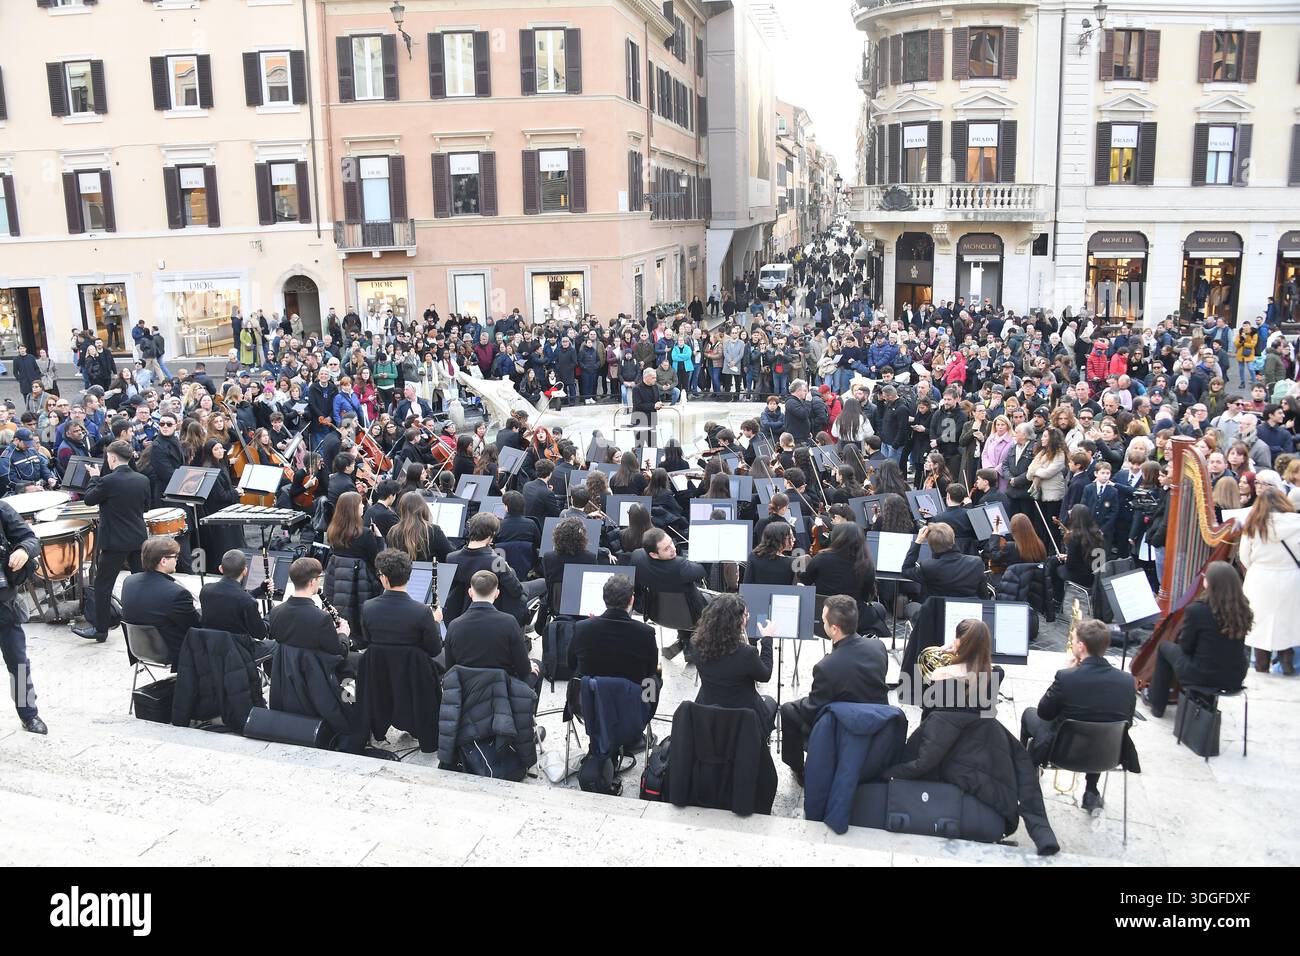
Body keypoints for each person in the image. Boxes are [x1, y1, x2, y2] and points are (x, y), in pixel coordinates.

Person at [1020, 617, 1137, 815]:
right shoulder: (1127, 681)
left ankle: (1025, 778)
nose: (1072, 644)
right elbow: (1128, 721)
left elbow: (1044, 713)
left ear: (1081, 647)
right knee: (1101, 726)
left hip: (1062, 753)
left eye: (1073, 641)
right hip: (1107, 754)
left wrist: (1068, 671)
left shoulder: (1066, 677)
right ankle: (1091, 791)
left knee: (1028, 714)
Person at [778, 595, 889, 783]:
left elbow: (811, 710)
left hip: (843, 723)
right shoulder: (877, 646)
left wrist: (802, 702)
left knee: (788, 710)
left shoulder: (826, 666)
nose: (822, 624)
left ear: (834, 629)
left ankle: (799, 770)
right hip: (876, 716)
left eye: (823, 621)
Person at [1145, 561, 1251, 715]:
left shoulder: (1197, 610)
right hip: (1234, 676)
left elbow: (1186, 647)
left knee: (1164, 647)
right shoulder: (1242, 608)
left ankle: (1157, 704)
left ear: (1210, 583)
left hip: (1202, 676)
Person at [73, 440, 152, 643]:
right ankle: (146, 623)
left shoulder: (107, 481)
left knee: (103, 585)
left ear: (113, 458)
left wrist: (95, 477)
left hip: (114, 541)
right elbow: (145, 507)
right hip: (137, 538)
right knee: (143, 582)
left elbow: (89, 499)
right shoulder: (142, 479)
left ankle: (101, 630)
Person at [566, 573, 659, 719]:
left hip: (590, 706)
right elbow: (650, 669)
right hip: (632, 705)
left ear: (604, 599)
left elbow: (571, 663)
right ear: (632, 600)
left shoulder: (582, 628)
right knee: (653, 679)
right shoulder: (646, 632)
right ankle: (646, 715)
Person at [443, 569, 542, 700]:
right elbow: (523, 670)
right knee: (538, 666)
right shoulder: (509, 622)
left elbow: (450, 669)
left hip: (467, 689)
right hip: (502, 688)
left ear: (470, 592)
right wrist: (529, 665)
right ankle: (526, 717)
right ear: (497, 594)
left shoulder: (454, 625)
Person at [692, 594, 778, 733]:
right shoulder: (747, 654)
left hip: (708, 711)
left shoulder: (696, 645)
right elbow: (765, 675)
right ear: (737, 622)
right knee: (771, 702)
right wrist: (767, 638)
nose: (748, 617)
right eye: (745, 615)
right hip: (743, 717)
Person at [1238, 487, 1300, 673]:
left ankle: (1261, 672)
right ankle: (1288, 671)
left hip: (1260, 580)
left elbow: (1244, 557)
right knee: (1287, 630)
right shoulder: (1297, 523)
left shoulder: (1252, 525)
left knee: (1260, 631)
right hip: (1291, 580)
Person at [119, 536, 202, 663]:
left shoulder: (129, 581)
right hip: (170, 652)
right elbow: (195, 626)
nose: (176, 561)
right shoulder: (177, 594)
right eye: (175, 557)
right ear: (163, 561)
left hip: (137, 648)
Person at [0, 499, 45, 733]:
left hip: (3, 605)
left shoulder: (1, 509)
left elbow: (31, 539)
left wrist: (23, 550)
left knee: (18, 663)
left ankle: (29, 714)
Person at [631, 527, 707, 660]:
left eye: (671, 542)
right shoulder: (680, 566)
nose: (673, 548)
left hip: (657, 614)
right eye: (666, 548)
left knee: (679, 598)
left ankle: (685, 641)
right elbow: (701, 571)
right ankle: (692, 643)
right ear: (654, 554)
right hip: (691, 618)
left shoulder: (637, 557)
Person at [269, 556, 355, 674]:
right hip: (314, 676)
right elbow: (339, 653)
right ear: (312, 581)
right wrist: (343, 634)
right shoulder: (321, 619)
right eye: (319, 577)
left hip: (285, 676)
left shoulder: (275, 612)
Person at [360, 548, 443, 658]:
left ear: (384, 578)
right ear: (408, 577)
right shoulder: (422, 612)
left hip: (378, 668)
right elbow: (435, 650)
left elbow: (368, 640)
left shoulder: (368, 607)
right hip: (412, 670)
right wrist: (436, 622)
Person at [901, 522, 987, 620]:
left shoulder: (928, 566)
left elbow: (906, 570)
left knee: (911, 607)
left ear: (931, 545)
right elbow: (983, 595)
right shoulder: (976, 562)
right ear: (953, 539)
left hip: (938, 617)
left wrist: (918, 541)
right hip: (968, 616)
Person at [198, 550, 271, 654]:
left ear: (221, 569)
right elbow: (260, 634)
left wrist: (259, 590)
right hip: (238, 652)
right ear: (245, 571)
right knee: (276, 646)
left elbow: (232, 600)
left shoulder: (205, 590)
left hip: (212, 646)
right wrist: (271, 615)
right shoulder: (247, 601)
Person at [386, 490, 452, 563]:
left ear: (402, 509)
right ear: (423, 507)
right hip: (428, 572)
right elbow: (449, 555)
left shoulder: (393, 531)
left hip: (402, 573)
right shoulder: (433, 530)